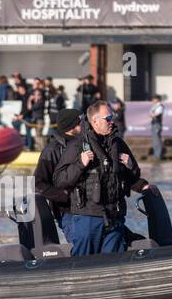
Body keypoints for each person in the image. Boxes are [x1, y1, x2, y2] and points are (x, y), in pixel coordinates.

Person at [52, 100, 150, 256]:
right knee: (82, 263)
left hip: (115, 217)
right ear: (95, 121)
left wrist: (131, 166)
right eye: (108, 119)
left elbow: (133, 178)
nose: (112, 122)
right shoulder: (78, 145)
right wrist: (80, 165)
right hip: (88, 217)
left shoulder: (118, 143)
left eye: (113, 118)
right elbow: (59, 179)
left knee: (114, 262)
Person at [34, 109, 82, 230]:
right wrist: (63, 196)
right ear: (72, 126)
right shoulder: (52, 150)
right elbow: (37, 183)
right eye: (80, 121)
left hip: (90, 211)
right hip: (68, 213)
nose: (84, 124)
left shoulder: (85, 143)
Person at [148, 94, 165, 160]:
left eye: (153, 99)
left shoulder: (160, 106)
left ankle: (158, 155)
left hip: (157, 124)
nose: (152, 100)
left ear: (157, 99)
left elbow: (156, 114)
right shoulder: (154, 106)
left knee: (157, 140)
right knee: (155, 140)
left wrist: (152, 115)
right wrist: (152, 115)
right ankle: (156, 154)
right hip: (154, 123)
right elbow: (150, 114)